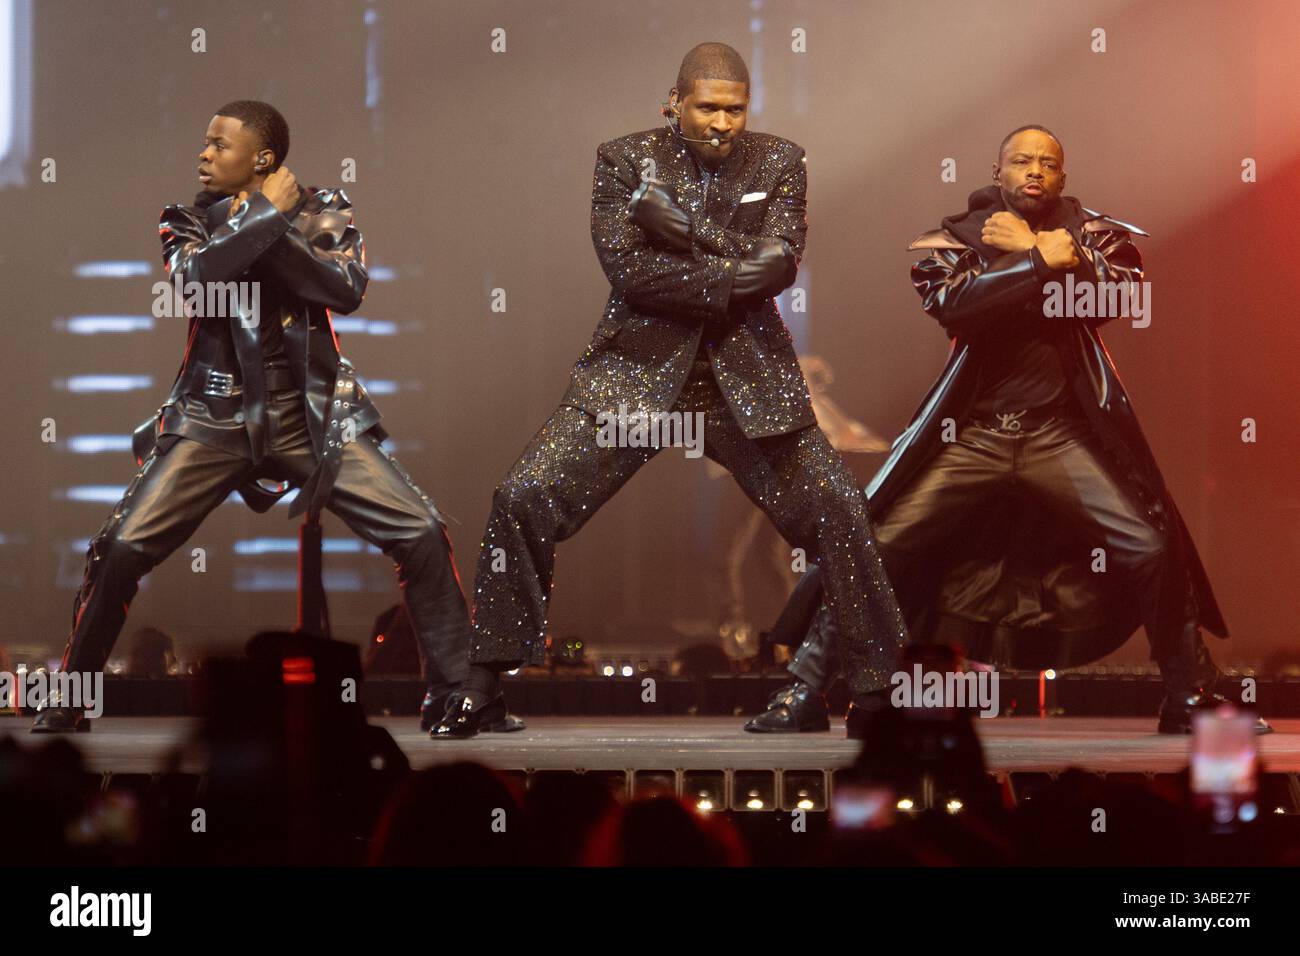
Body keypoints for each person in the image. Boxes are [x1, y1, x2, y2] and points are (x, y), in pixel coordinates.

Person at [437, 43, 907, 737]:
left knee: (839, 508)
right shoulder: (625, 160)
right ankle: (485, 686)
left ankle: (877, 694)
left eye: (736, 110)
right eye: (709, 108)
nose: (724, 123)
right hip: (634, 380)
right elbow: (632, 275)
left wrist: (681, 231)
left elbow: (778, 271)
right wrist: (732, 263)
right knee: (523, 495)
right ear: (675, 103)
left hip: (744, 383)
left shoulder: (779, 160)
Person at [747, 126, 1270, 736]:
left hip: (1059, 435)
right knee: (876, 546)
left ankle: (1190, 694)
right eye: (1022, 161)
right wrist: (1038, 259)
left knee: (1150, 545)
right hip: (975, 436)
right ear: (996, 172)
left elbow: (1114, 302)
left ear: (1062, 178)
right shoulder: (957, 239)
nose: (1035, 172)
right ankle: (808, 690)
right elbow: (955, 307)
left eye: (1048, 164)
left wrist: (1039, 252)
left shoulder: (1095, 237)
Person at [33, 100, 520, 736]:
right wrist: (263, 216)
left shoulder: (324, 208)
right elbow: (197, 283)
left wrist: (271, 224)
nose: (202, 154)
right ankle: (70, 695)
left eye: (217, 144)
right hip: (214, 417)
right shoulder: (185, 220)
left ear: (261, 158)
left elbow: (343, 290)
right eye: (204, 143)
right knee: (121, 546)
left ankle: (456, 694)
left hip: (314, 415)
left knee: (422, 531)